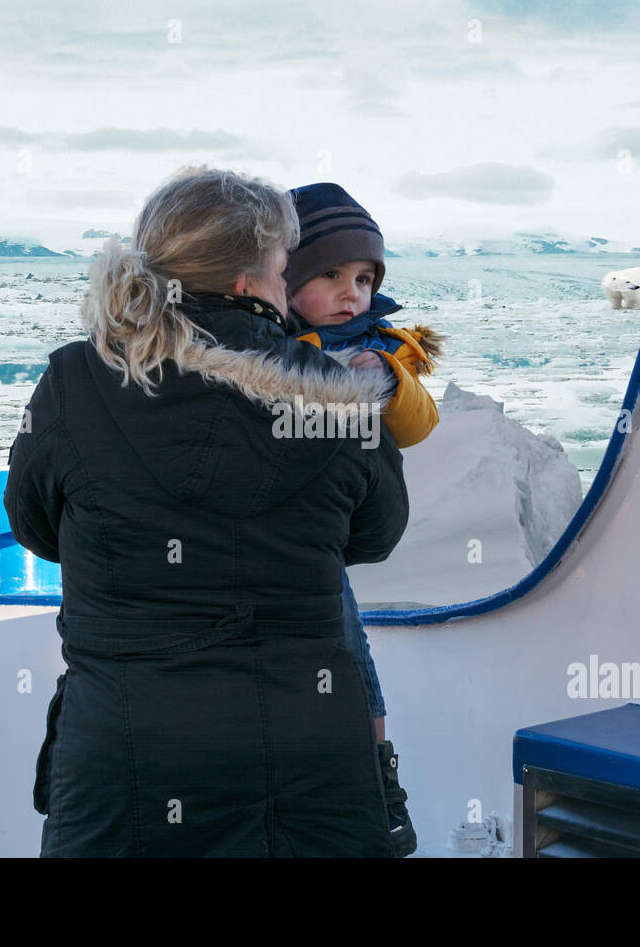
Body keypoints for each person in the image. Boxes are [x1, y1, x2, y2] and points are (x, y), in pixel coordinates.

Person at [3, 166, 409, 857]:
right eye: (284, 269)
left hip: (125, 751)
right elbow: (374, 535)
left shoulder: (75, 379)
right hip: (307, 759)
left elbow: (37, 528)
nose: (287, 287)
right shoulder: (337, 395)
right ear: (251, 282)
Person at [281, 182, 443, 858]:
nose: (353, 292)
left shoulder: (380, 346)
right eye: (330, 275)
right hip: (297, 528)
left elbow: (418, 425)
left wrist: (389, 382)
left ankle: (379, 777)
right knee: (338, 649)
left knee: (350, 651)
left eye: (365, 277)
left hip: (325, 527)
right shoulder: (274, 346)